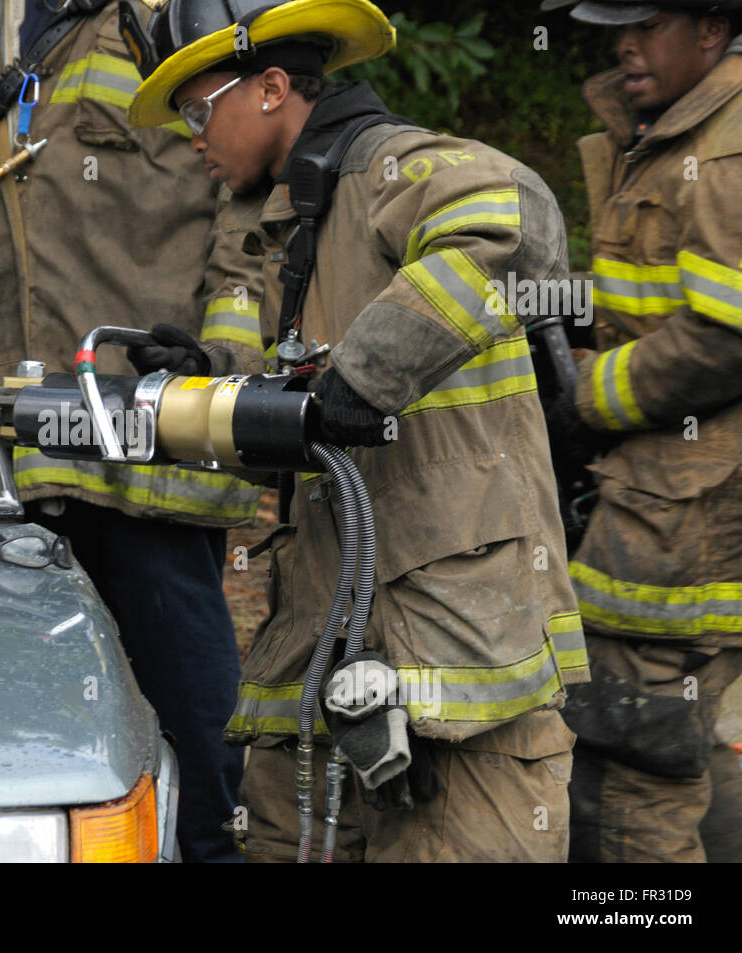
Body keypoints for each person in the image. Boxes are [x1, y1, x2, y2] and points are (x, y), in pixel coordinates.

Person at [129, 0, 590, 862]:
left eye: (198, 110)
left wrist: (366, 378)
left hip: (457, 660)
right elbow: (287, 368)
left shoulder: (393, 168)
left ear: (271, 88)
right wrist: (209, 372)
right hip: (321, 650)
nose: (190, 137)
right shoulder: (288, 219)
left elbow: (520, 222)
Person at [0, 0, 267, 861]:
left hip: (145, 447)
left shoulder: (195, 9)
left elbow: (257, 193)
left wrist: (224, 355)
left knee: (192, 735)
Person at [539, 0, 742, 863]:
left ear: (711, 27)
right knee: (682, 743)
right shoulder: (676, 130)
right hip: (670, 496)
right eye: (612, 24)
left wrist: (587, 397)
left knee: (633, 772)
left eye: (647, 21)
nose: (623, 42)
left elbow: (726, 333)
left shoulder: (724, 148)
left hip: (682, 515)